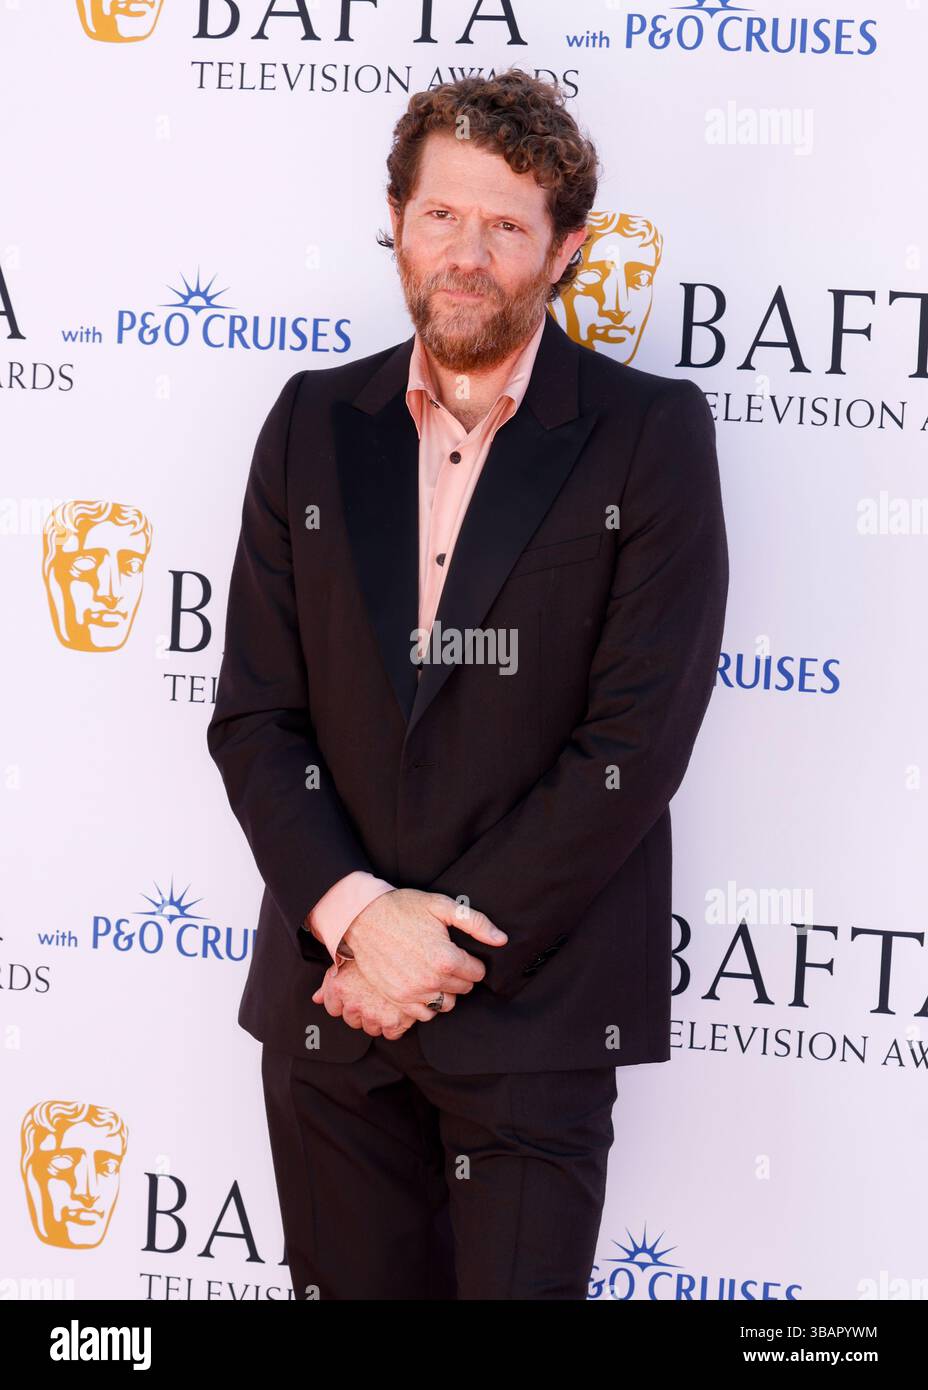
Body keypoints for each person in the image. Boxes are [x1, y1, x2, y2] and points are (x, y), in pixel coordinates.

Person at [206, 69, 729, 1301]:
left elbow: (633, 742)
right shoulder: (311, 422)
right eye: (443, 215)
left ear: (565, 250)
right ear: (395, 218)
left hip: (530, 1017)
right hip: (331, 1004)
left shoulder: (648, 435)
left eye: (506, 224)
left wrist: (432, 945)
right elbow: (256, 716)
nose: (468, 253)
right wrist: (357, 921)